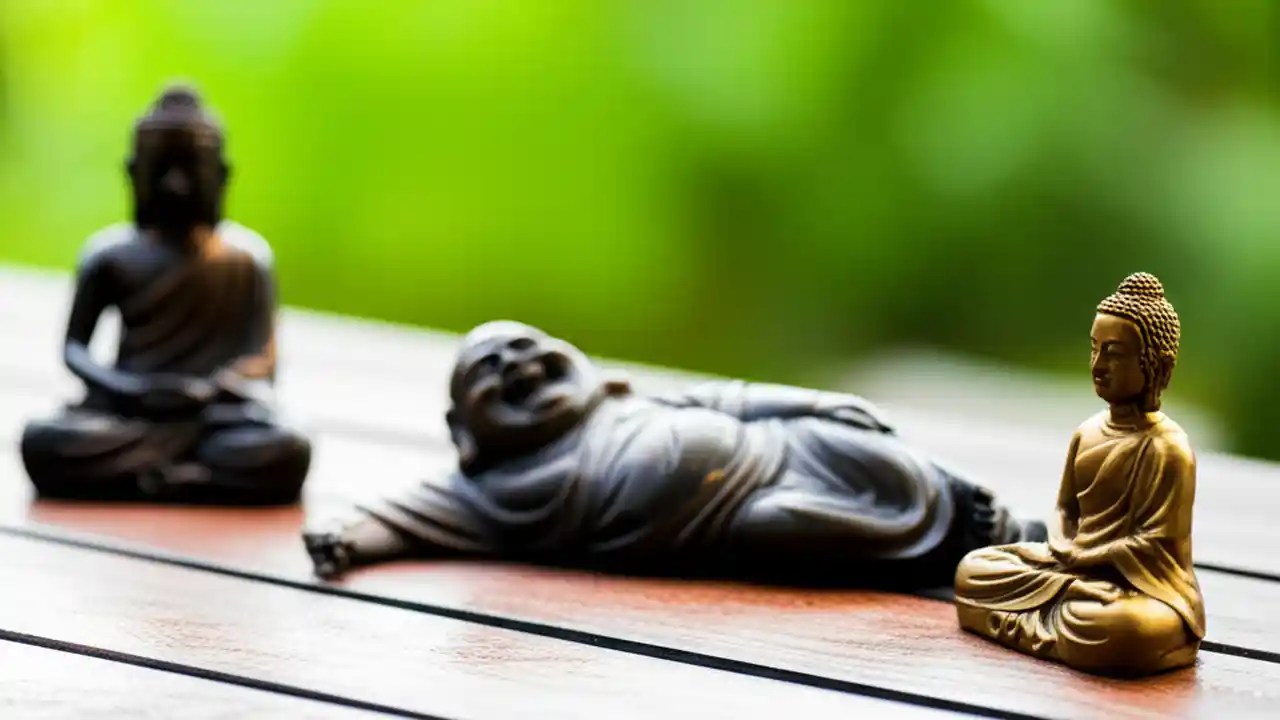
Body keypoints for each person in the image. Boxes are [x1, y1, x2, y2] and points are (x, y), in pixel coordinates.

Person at [305, 320, 1042, 586]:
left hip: (778, 446)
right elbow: (402, 515)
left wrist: (816, 403)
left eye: (529, 346)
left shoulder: (634, 404)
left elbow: (736, 398)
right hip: (735, 515)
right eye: (489, 374)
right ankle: (973, 555)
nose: (517, 364)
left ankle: (994, 522)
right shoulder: (506, 486)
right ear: (467, 431)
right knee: (804, 532)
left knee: (891, 465)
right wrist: (347, 538)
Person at [20, 85, 311, 505]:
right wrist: (130, 389)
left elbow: (263, 359)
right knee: (43, 441)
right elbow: (75, 349)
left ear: (221, 176)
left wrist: (208, 390)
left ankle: (153, 476)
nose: (176, 185)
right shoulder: (109, 256)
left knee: (290, 446)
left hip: (212, 417)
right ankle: (192, 477)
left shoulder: (246, 259)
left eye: (190, 170)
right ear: (133, 173)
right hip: (130, 410)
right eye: (162, 170)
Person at [954, 272, 1203, 676]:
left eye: (1114, 354)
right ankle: (1054, 628)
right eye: (1094, 348)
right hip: (1070, 571)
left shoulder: (1167, 448)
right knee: (974, 569)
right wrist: (1065, 548)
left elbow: (1154, 543)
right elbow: (1065, 510)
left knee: (1129, 627)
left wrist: (1088, 557)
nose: (1098, 365)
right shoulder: (1087, 433)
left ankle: (1034, 625)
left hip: (1137, 586)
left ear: (1156, 365)